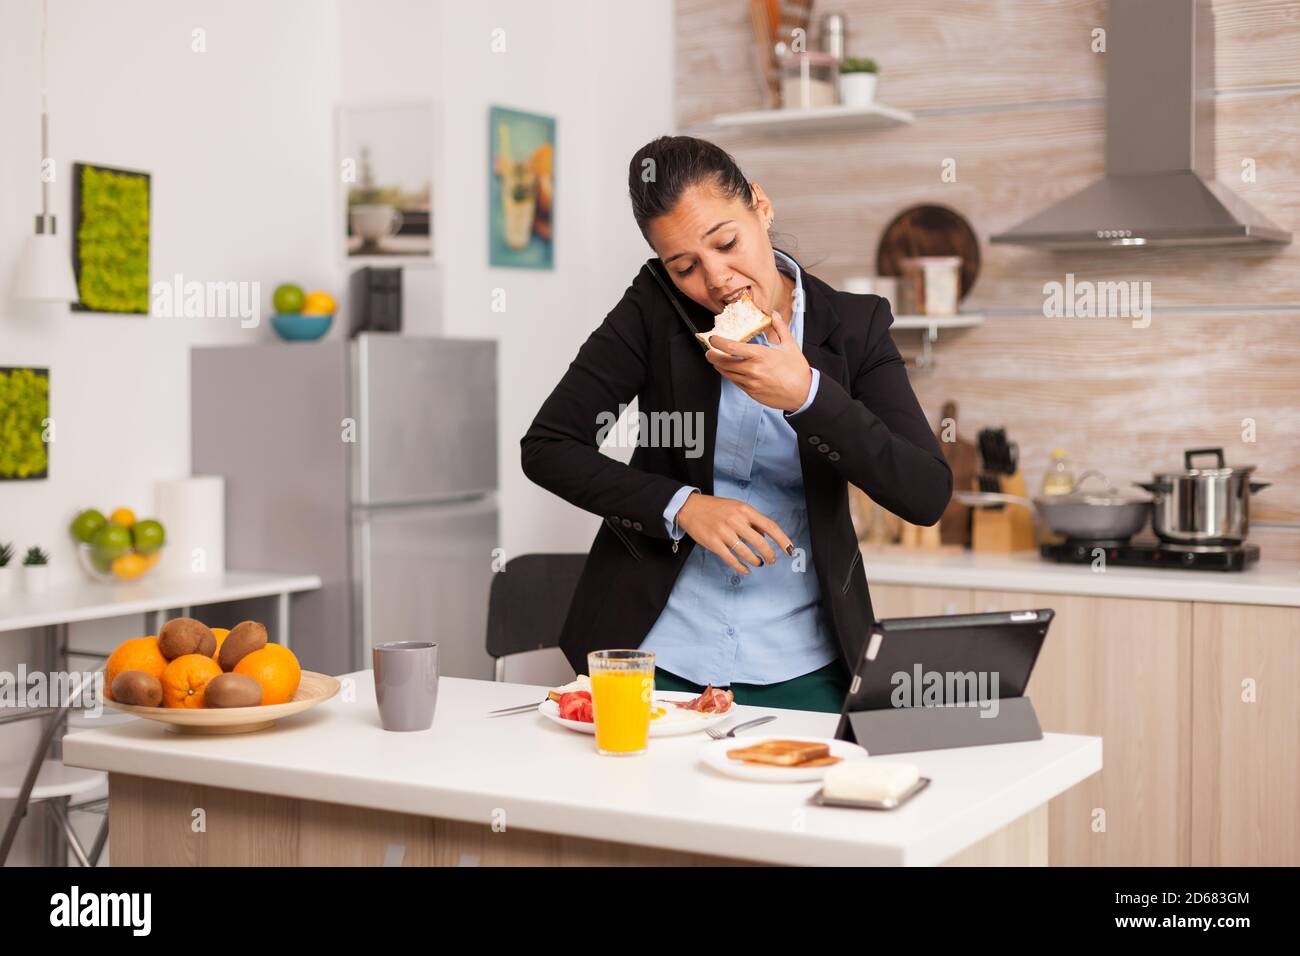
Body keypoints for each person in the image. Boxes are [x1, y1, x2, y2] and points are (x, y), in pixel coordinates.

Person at [521, 135, 952, 712]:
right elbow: (548, 445)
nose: (717, 279)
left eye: (727, 243)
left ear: (760, 205)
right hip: (654, 657)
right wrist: (683, 506)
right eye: (685, 267)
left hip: (806, 663)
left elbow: (926, 493)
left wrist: (806, 395)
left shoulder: (854, 326)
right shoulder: (655, 309)